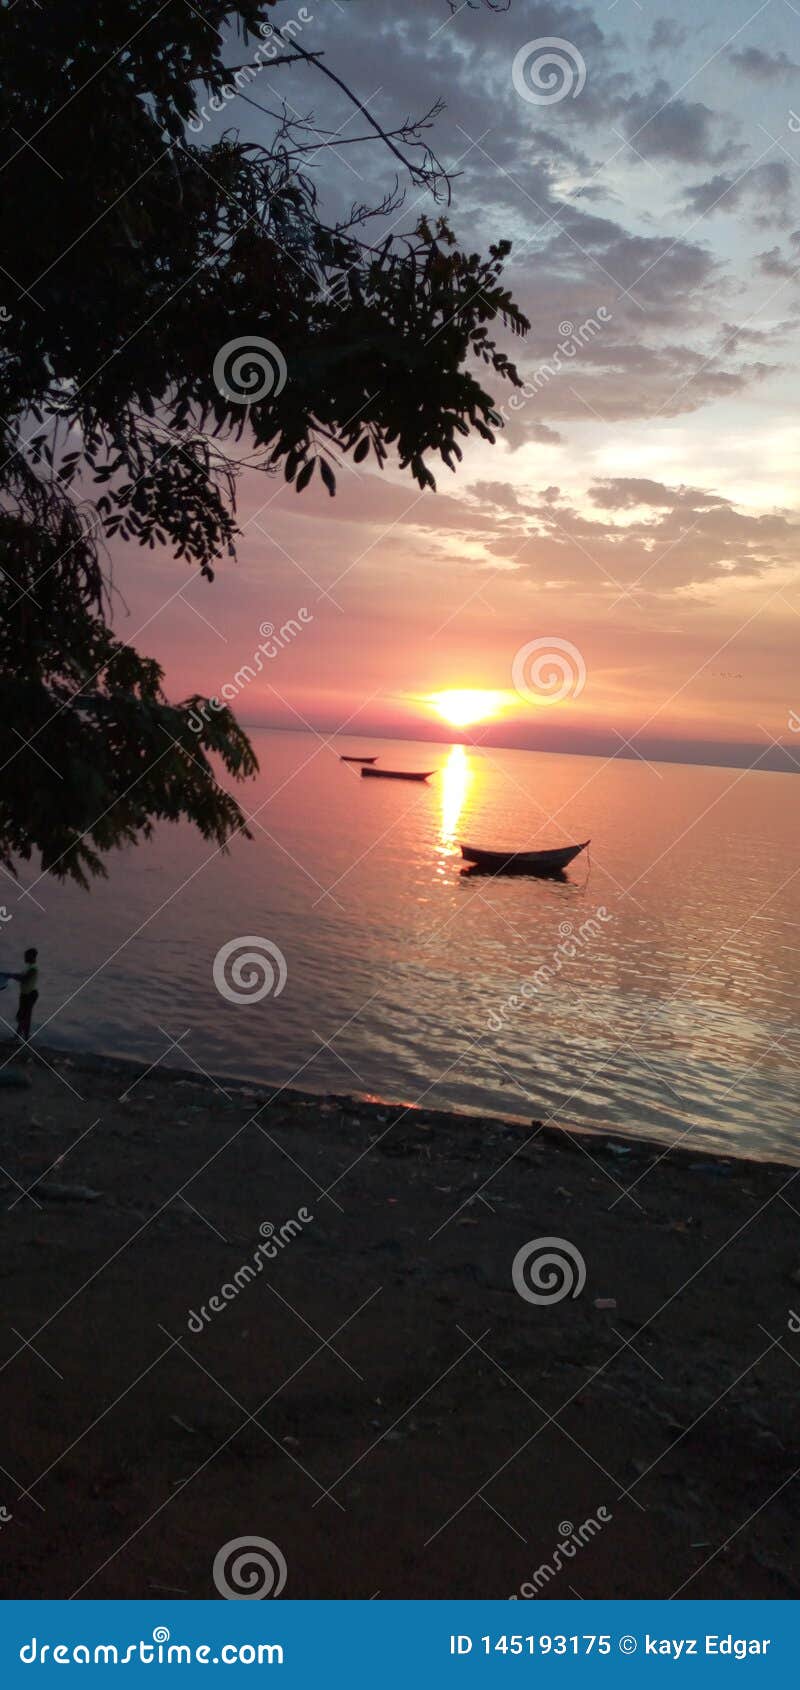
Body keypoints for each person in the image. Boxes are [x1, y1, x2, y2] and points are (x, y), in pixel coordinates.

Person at [13, 948, 38, 1045]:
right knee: (23, 1017)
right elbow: (22, 976)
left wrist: (12, 976)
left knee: (23, 1017)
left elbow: (24, 979)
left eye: (26, 956)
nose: (24, 958)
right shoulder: (29, 967)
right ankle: (22, 1038)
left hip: (29, 995)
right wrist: (13, 975)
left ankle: (21, 1038)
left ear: (31, 957)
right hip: (25, 995)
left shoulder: (33, 968)